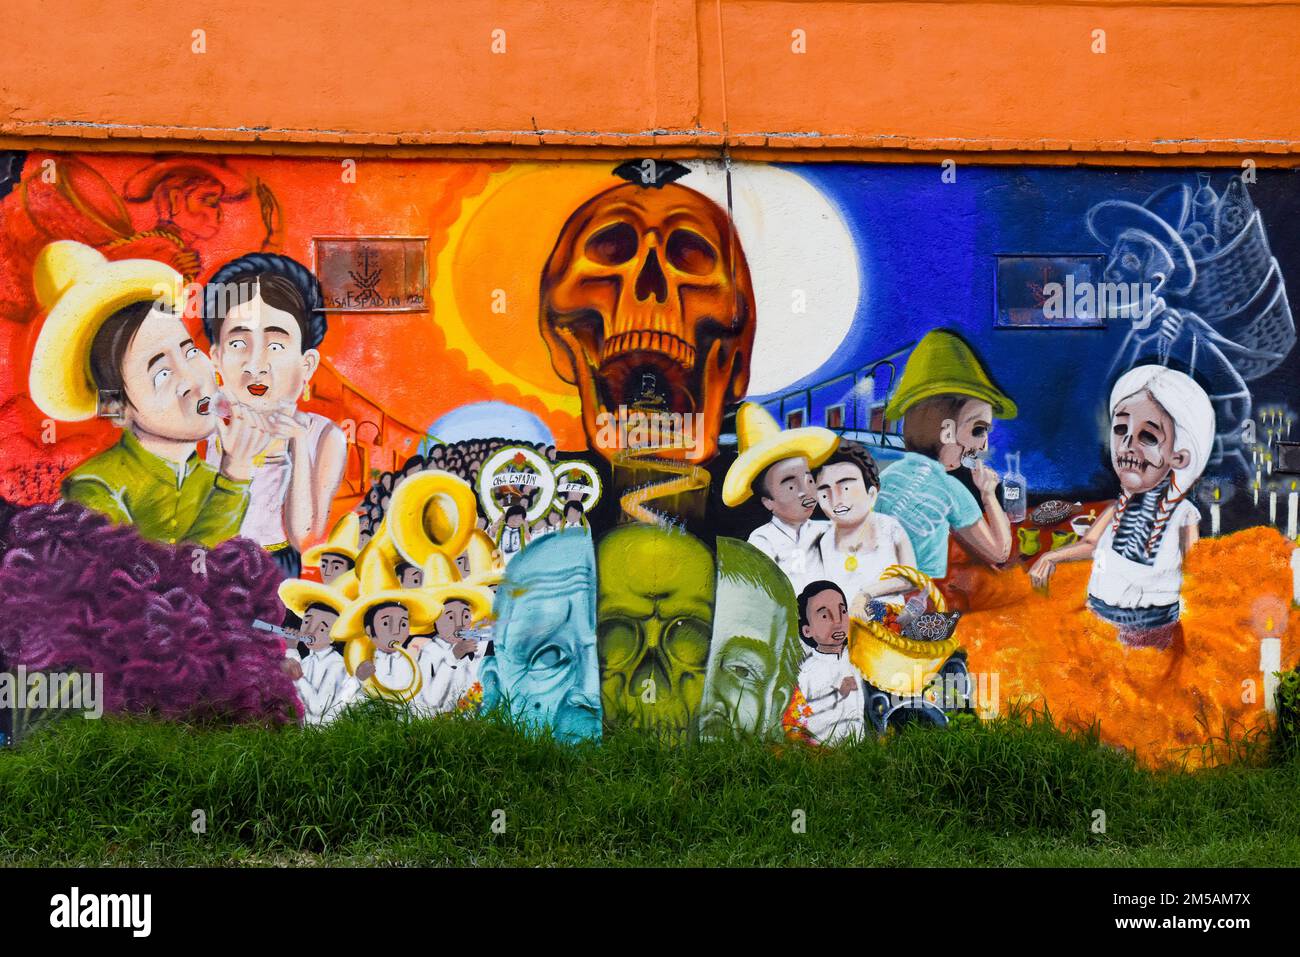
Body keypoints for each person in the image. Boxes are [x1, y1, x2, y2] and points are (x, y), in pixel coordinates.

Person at [28, 241, 269, 547]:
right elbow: (167, 582)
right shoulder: (94, 489)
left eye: (190, 352)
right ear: (116, 406)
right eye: (163, 373)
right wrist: (234, 480)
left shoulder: (211, 478)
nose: (195, 380)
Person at [1029, 365, 1214, 649]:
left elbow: (1196, 569)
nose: (1128, 444)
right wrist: (1052, 557)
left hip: (1152, 628)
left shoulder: (1183, 513)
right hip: (1099, 617)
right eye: (1120, 429)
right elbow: (1091, 543)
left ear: (1179, 457)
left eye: (1149, 436)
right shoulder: (1116, 509)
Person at [203, 254, 346, 577]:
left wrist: (296, 442)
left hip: (278, 573)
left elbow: (305, 537)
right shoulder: (203, 426)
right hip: (210, 570)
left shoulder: (323, 436)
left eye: (276, 346)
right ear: (216, 358)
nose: (256, 365)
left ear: (306, 364)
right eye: (239, 342)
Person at [875, 330, 1017, 581]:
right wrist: (987, 494)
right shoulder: (950, 489)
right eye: (978, 430)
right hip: (922, 596)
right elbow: (1000, 552)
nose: (983, 446)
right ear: (947, 430)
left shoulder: (885, 477)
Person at [721, 402, 840, 595]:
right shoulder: (763, 541)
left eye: (808, 479)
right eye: (791, 486)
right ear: (768, 502)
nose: (805, 491)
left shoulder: (827, 530)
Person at [812, 440, 917, 612]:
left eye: (845, 488)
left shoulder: (890, 529)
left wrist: (866, 593)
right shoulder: (822, 540)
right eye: (824, 491)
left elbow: (910, 578)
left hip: (887, 626)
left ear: (872, 494)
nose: (835, 499)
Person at [277, 578, 360, 724]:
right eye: (307, 622)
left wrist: (299, 678)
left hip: (326, 736)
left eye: (321, 628)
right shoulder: (308, 660)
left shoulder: (336, 664)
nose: (310, 631)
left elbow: (318, 707)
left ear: (334, 635)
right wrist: (291, 649)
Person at [794, 581, 866, 745]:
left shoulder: (857, 657)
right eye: (825, 616)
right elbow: (801, 712)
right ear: (807, 630)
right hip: (823, 749)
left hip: (860, 746)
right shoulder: (807, 671)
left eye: (842, 612)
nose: (838, 622)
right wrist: (839, 694)